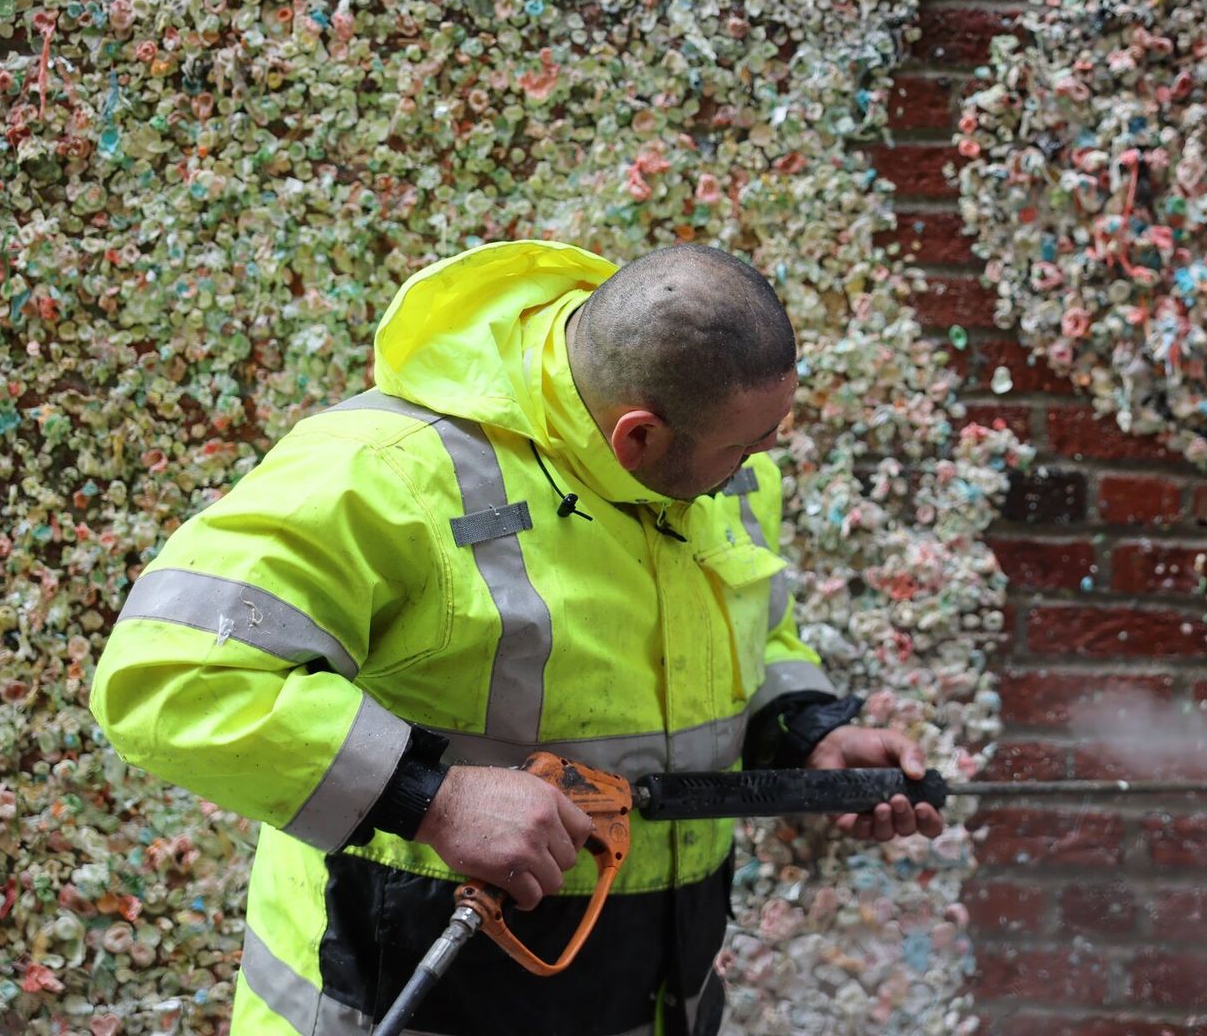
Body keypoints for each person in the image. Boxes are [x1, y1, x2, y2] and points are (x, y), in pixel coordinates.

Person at [89, 239, 944, 1036]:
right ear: (637, 437)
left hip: (646, 992)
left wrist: (804, 727)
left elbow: (748, 625)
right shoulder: (386, 470)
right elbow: (169, 677)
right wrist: (431, 796)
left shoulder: (722, 472)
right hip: (411, 988)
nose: (763, 459)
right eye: (746, 444)